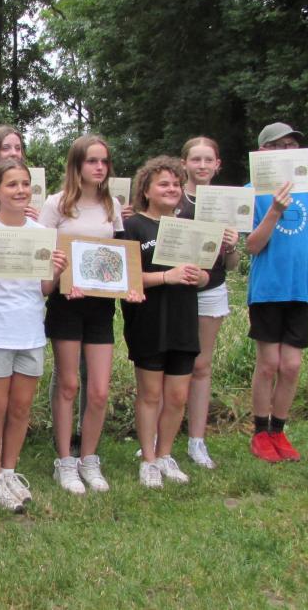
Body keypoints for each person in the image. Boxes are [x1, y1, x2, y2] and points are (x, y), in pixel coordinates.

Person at [0, 159, 68, 512]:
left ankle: (9, 470)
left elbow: (44, 289)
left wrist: (56, 272)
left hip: (30, 331)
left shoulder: (41, 233)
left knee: (21, 408)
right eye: (11, 185)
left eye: (25, 184)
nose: (21, 190)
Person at [39, 135, 124, 494]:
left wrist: (127, 284)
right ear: (76, 165)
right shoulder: (56, 204)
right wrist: (59, 275)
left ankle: (89, 458)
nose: (99, 168)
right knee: (69, 383)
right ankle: (65, 461)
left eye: (104, 161)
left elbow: (121, 259)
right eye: (92, 161)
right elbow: (42, 259)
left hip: (101, 306)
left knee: (100, 390)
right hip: (65, 303)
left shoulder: (112, 205)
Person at [245, 122, 308, 463]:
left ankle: (279, 431)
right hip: (268, 289)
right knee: (268, 364)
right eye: (279, 146)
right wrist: (275, 210)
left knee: (291, 365)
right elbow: (252, 246)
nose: (287, 151)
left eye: (292, 145)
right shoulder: (251, 190)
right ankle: (259, 432)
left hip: (302, 288)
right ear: (264, 152)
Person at [121, 157, 207, 488]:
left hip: (184, 320)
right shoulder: (133, 227)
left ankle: (166, 453)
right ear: (146, 189)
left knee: (177, 396)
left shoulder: (189, 227)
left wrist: (199, 275)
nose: (171, 189)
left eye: (176, 184)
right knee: (151, 393)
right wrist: (166, 277)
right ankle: (148, 459)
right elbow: (126, 277)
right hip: (148, 320)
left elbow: (203, 275)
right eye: (163, 184)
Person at [176, 137, 241, 469]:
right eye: (195, 159)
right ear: (184, 162)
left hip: (211, 290)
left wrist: (231, 246)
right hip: (173, 291)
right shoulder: (175, 198)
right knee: (168, 366)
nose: (202, 166)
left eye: (208, 160)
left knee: (201, 366)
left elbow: (232, 266)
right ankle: (158, 436)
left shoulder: (227, 204)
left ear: (218, 165)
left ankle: (197, 441)